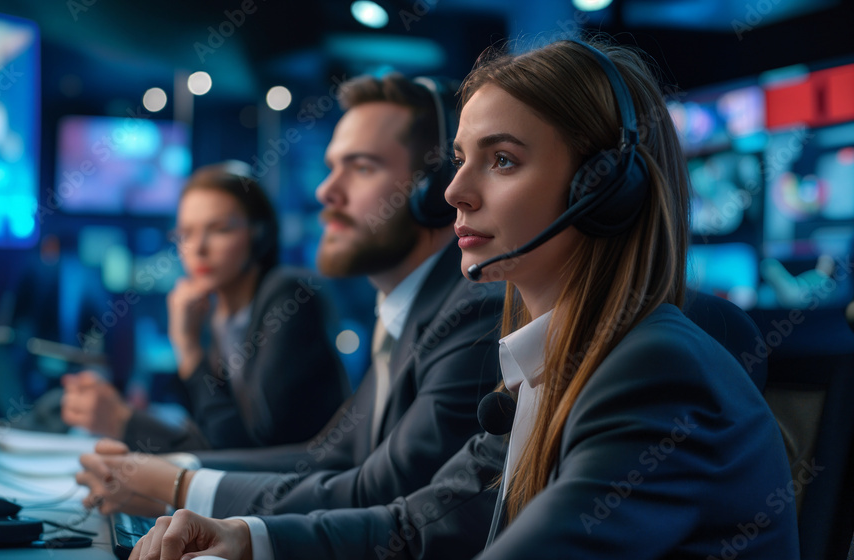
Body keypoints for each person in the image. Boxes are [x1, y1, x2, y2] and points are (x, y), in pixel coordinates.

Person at [125, 39, 799, 560]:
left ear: (601, 188)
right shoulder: (553, 365)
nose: (453, 192)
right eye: (460, 159)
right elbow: (417, 525)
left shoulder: (654, 374)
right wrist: (247, 539)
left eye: (502, 160)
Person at [74, 74, 504, 520]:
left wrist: (178, 485)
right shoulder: (402, 313)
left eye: (361, 167)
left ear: (434, 190)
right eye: (331, 167)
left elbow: (384, 491)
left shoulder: (470, 313)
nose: (325, 190)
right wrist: (172, 470)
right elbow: (328, 458)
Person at [60, 161, 350, 452]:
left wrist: (187, 349)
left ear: (259, 234)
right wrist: (125, 419)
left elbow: (247, 449)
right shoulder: (215, 316)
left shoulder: (288, 295)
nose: (198, 249)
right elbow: (208, 433)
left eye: (219, 229)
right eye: (185, 234)